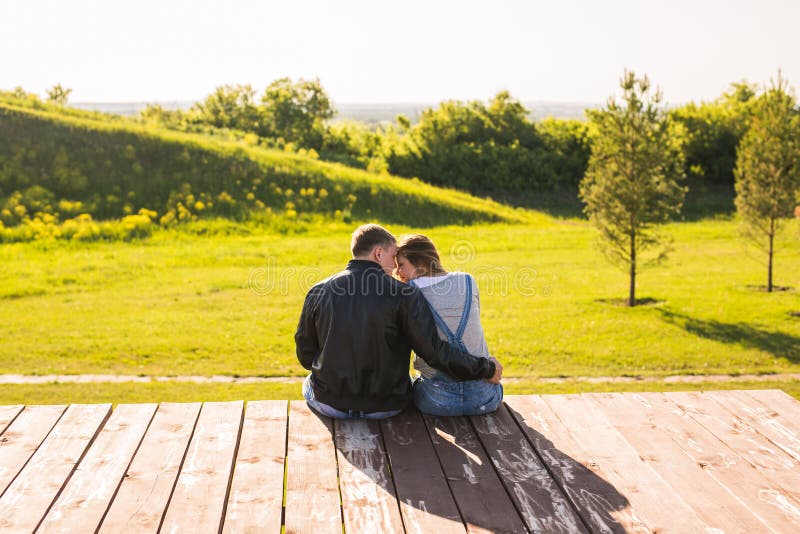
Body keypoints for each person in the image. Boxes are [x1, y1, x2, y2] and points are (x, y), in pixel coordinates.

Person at [295, 223, 502, 419]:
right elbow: (433, 351)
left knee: (309, 382)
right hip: (387, 406)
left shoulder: (319, 290)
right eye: (394, 256)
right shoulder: (405, 294)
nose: (395, 267)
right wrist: (486, 369)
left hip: (330, 404)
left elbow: (305, 356)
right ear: (378, 253)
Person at [394, 234, 503, 416]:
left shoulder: (408, 293)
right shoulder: (468, 281)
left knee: (414, 381)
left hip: (436, 400)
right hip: (484, 398)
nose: (398, 272)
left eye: (401, 265)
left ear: (420, 263)